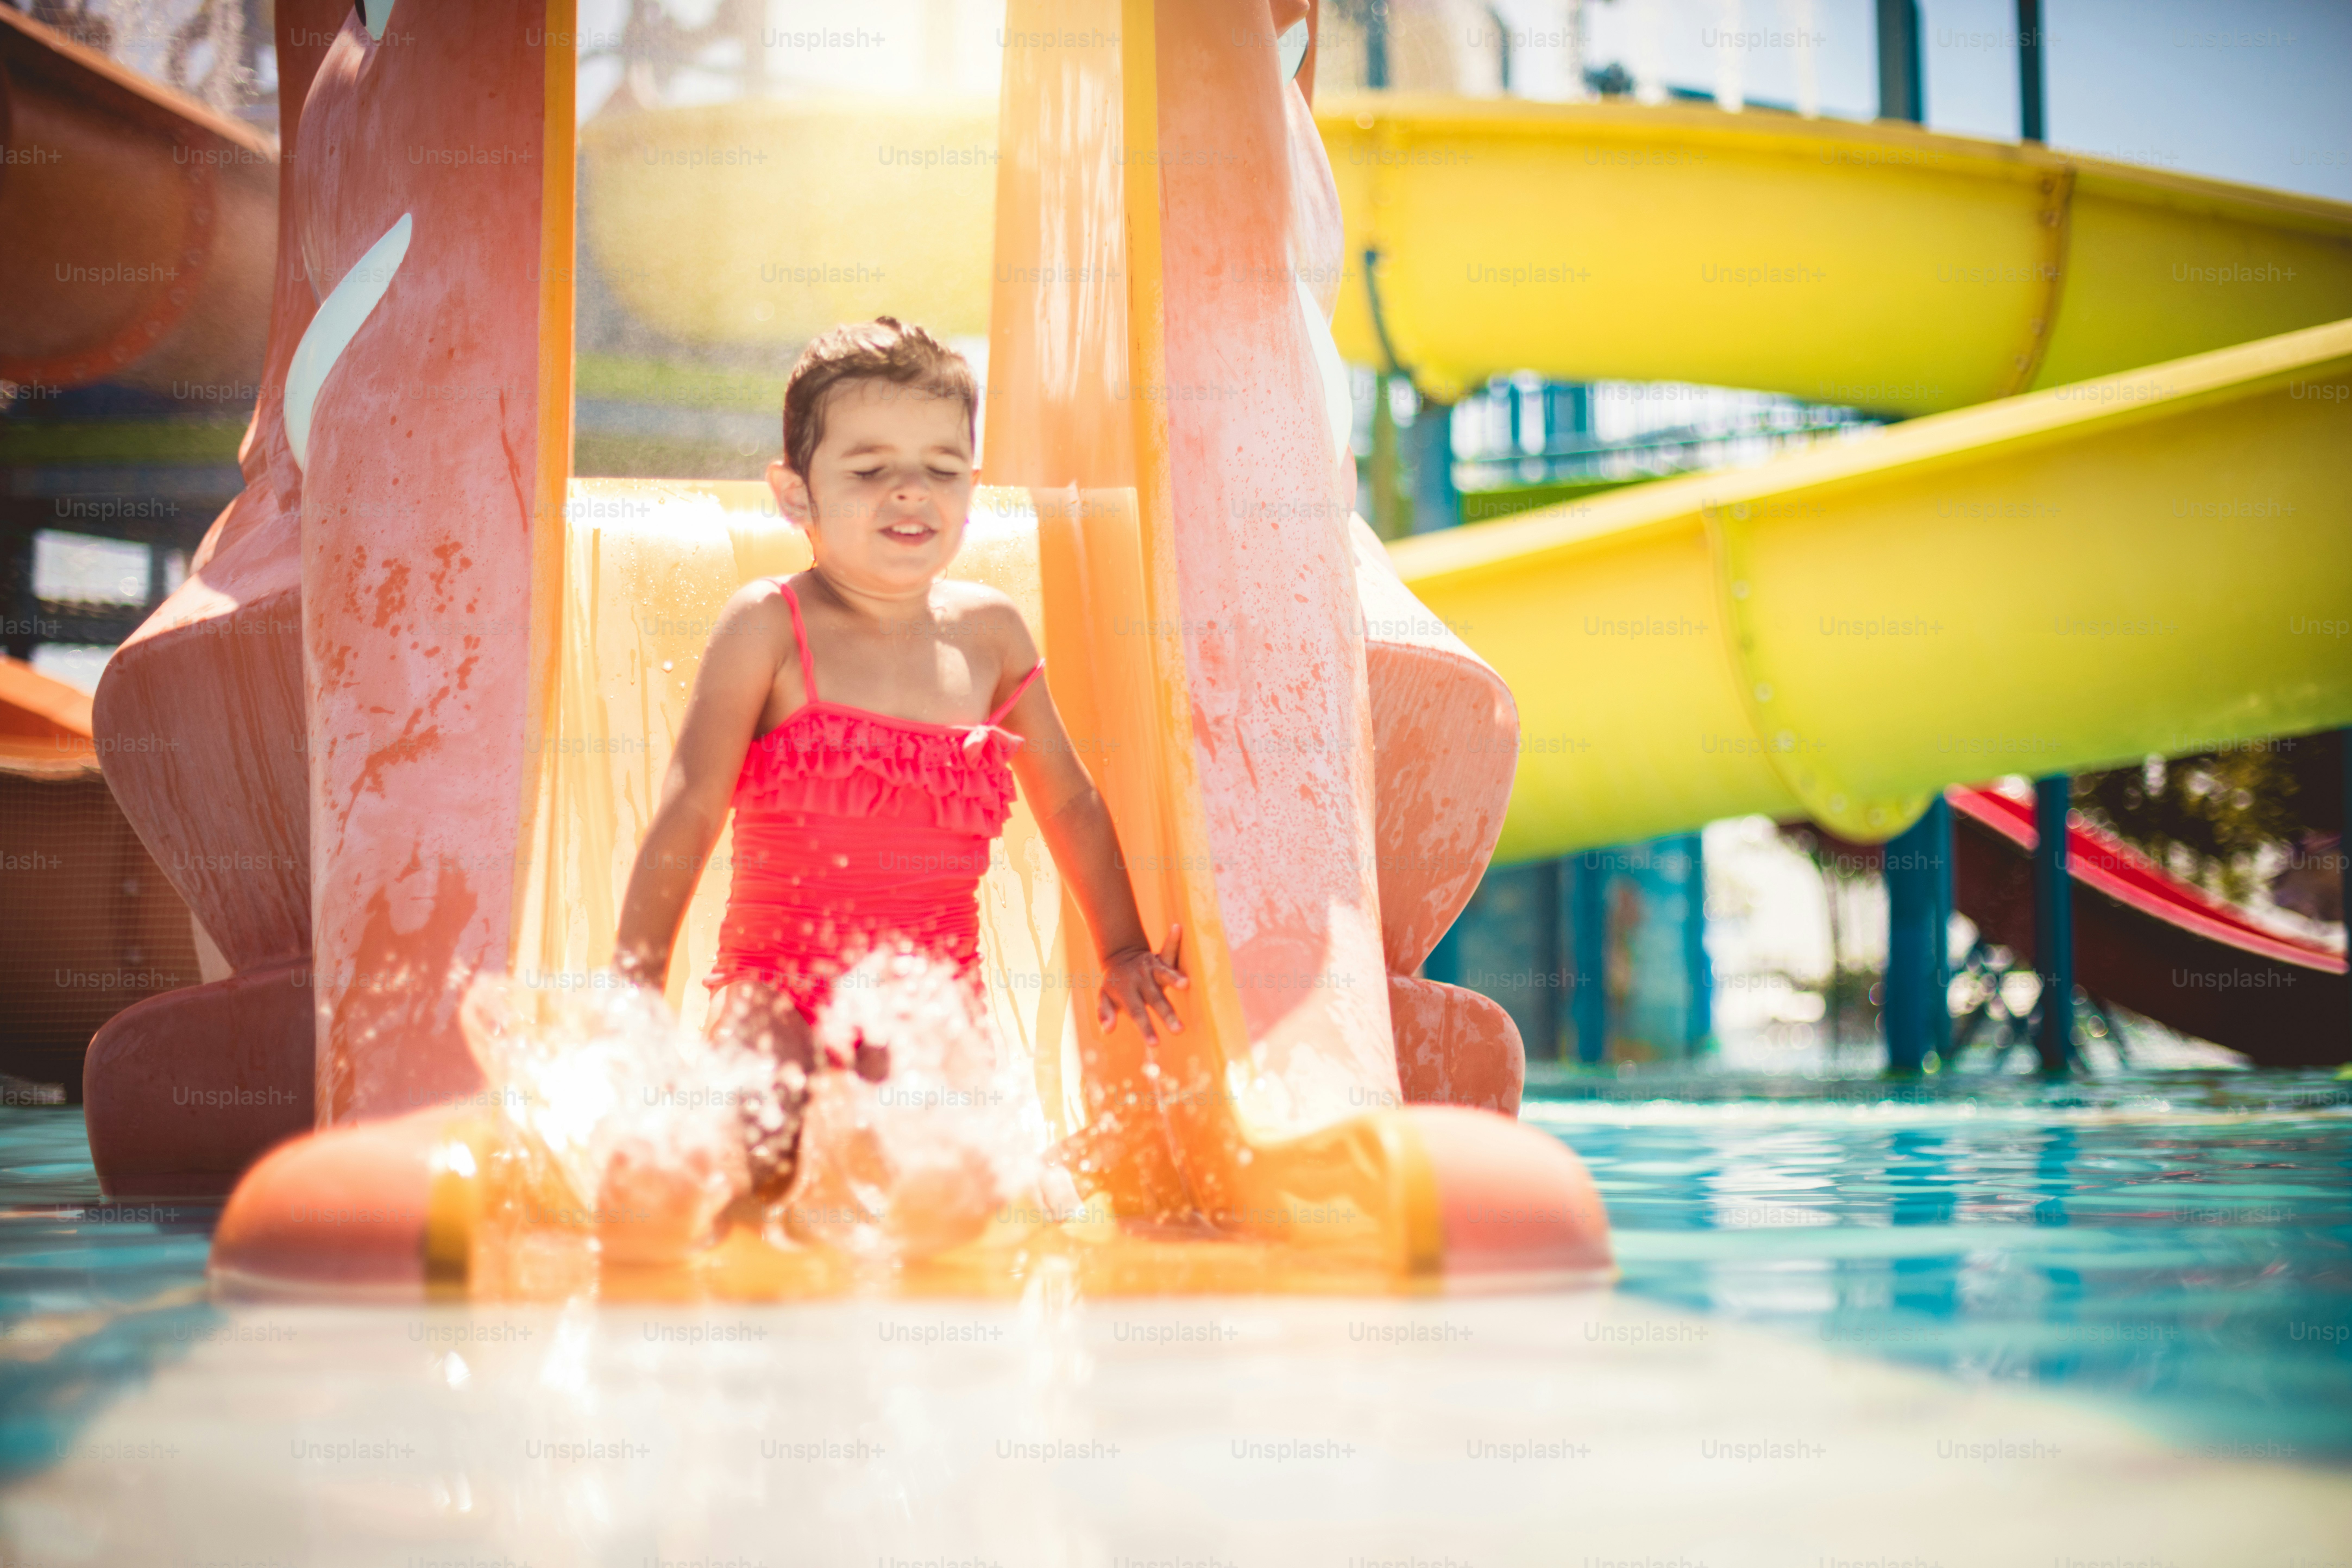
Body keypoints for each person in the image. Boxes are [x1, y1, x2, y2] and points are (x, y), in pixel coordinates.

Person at [608, 317, 1184, 1238]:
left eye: (941, 469)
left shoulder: (989, 635)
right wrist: (632, 985)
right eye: (869, 469)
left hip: (930, 1002)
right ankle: (744, 1289)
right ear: (795, 493)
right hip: (776, 988)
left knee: (953, 1194)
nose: (910, 490)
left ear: (971, 489)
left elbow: (1068, 800)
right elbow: (689, 810)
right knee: (759, 1136)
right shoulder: (770, 625)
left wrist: (1122, 950)